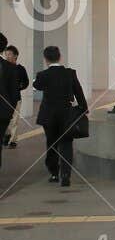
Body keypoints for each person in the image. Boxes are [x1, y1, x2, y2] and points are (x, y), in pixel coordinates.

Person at [32, 46, 86, 188]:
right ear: (59, 56)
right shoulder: (70, 73)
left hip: (49, 115)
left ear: (46, 59)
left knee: (52, 143)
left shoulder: (43, 75)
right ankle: (66, 174)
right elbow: (78, 92)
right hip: (66, 113)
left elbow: (36, 86)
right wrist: (83, 109)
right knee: (67, 143)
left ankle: (54, 173)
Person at [0, 44, 24, 173]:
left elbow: (22, 84)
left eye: (10, 54)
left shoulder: (16, 69)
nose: (8, 55)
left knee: (14, 121)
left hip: (7, 106)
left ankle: (12, 139)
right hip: (5, 109)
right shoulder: (8, 67)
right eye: (6, 53)